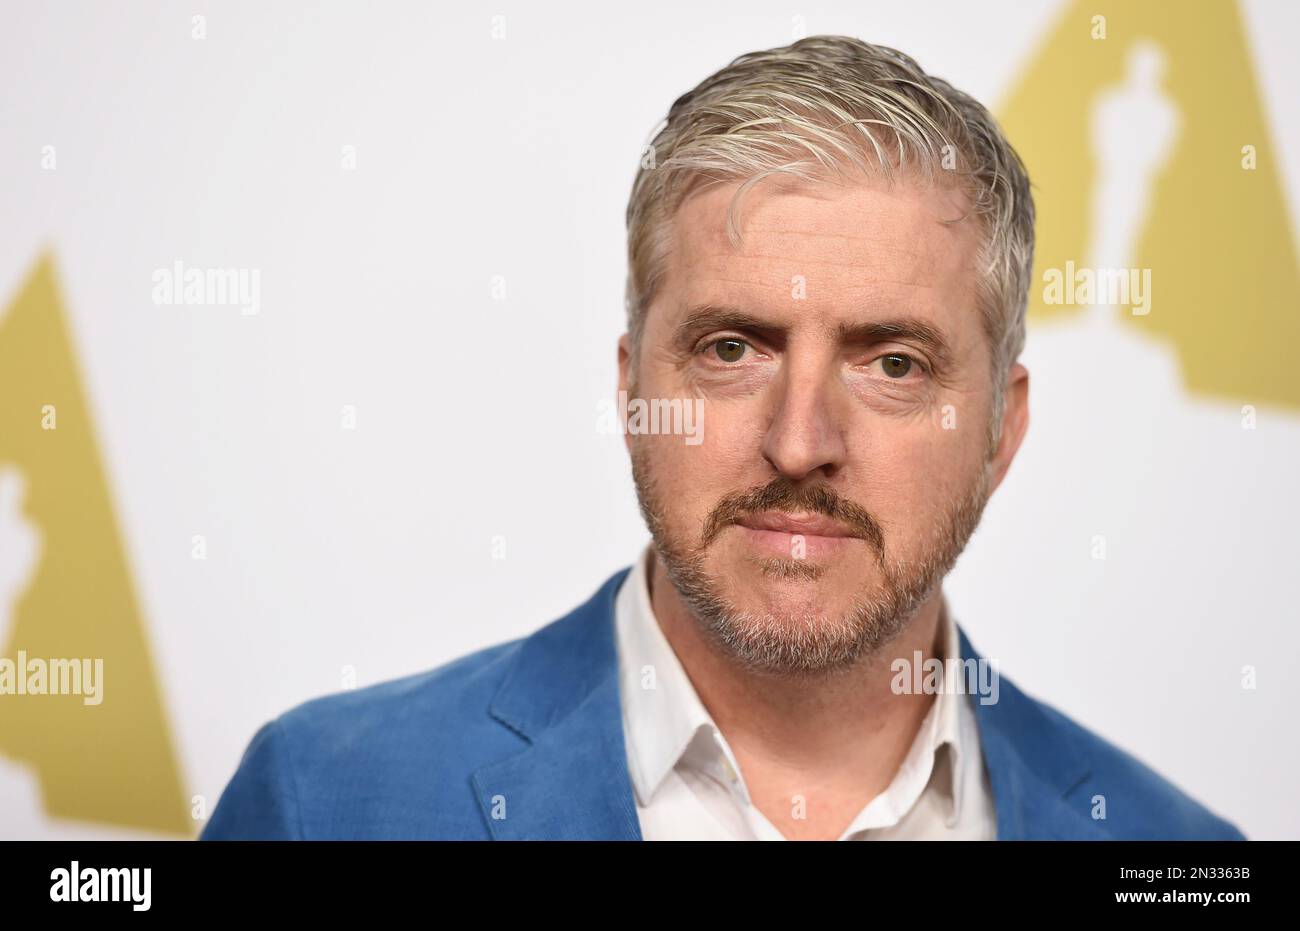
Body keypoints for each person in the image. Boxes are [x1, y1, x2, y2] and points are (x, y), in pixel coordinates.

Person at [201, 35, 1244, 841]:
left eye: (892, 364)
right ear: (630, 388)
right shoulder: (326, 802)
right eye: (732, 348)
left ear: (1001, 429)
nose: (798, 442)